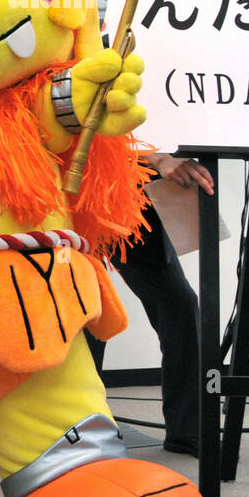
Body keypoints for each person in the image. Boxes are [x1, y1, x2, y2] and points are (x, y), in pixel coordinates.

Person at [85, 152, 212, 455]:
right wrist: (157, 158)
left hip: (137, 186)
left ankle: (186, 431)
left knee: (179, 305)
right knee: (89, 305)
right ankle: (78, 426)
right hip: (90, 178)